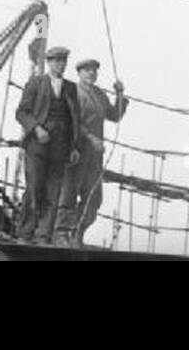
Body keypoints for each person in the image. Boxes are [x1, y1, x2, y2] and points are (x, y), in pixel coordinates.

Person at [55, 58, 127, 246]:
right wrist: (90, 138)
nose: (91, 73)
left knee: (94, 200)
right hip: (75, 152)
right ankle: (61, 235)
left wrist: (120, 95)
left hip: (94, 158)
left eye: (94, 70)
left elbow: (114, 115)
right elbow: (72, 121)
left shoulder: (99, 95)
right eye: (87, 70)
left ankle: (77, 234)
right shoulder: (72, 92)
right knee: (68, 195)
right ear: (79, 73)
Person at [15, 46, 80, 243]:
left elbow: (74, 120)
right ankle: (25, 234)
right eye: (56, 61)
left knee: (53, 192)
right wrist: (36, 128)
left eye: (63, 61)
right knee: (34, 188)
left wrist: (74, 147)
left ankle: (43, 236)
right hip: (37, 144)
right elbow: (22, 112)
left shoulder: (71, 87)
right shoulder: (35, 83)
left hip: (61, 146)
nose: (60, 64)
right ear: (49, 62)